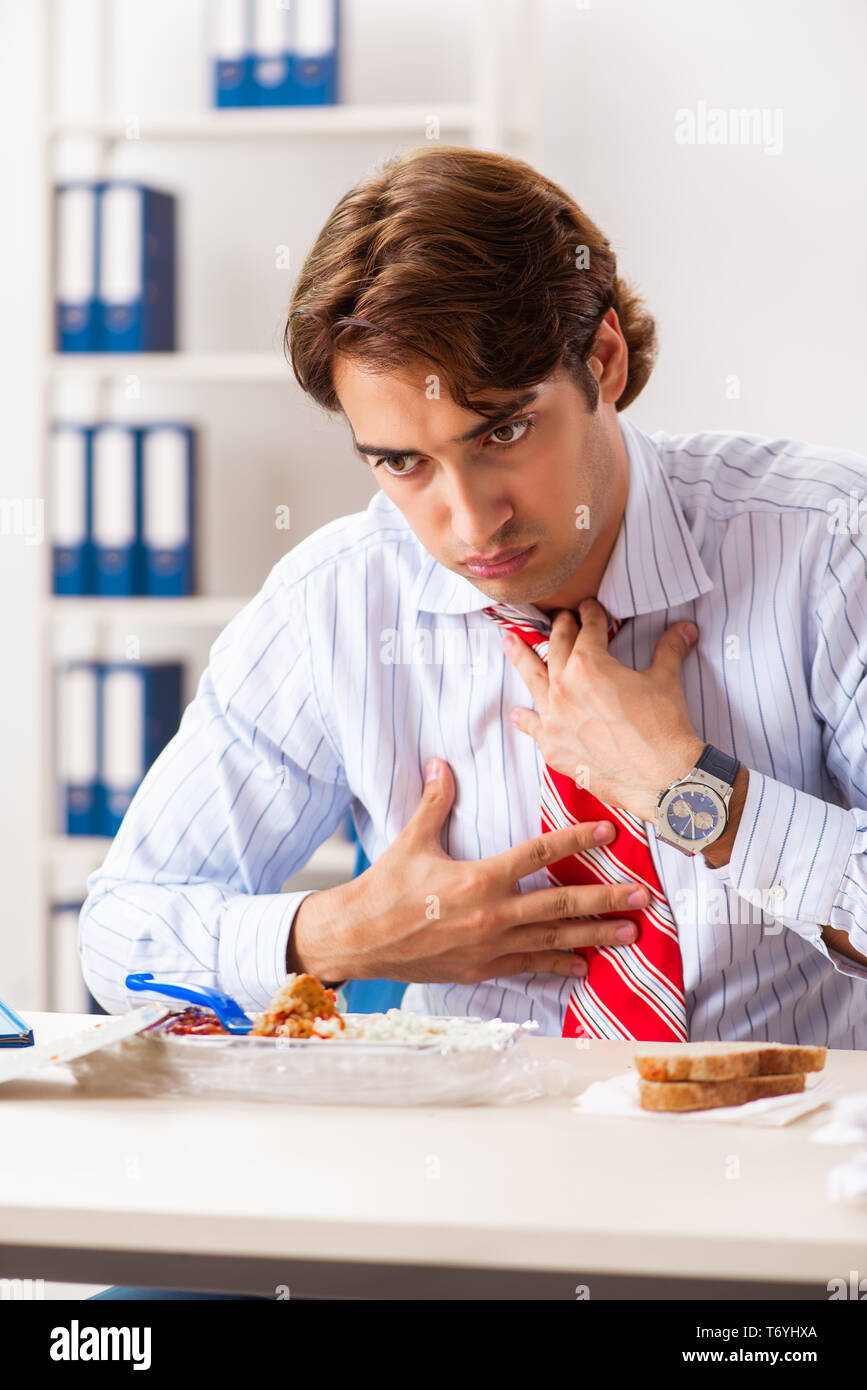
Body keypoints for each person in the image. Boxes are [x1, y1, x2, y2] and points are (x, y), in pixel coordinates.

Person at [80, 143, 867, 1056]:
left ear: (602, 360)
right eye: (402, 463)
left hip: (782, 1163)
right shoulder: (334, 603)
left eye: (502, 430)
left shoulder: (824, 544)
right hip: (465, 1176)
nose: (469, 521)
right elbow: (119, 935)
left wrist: (689, 793)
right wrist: (340, 937)